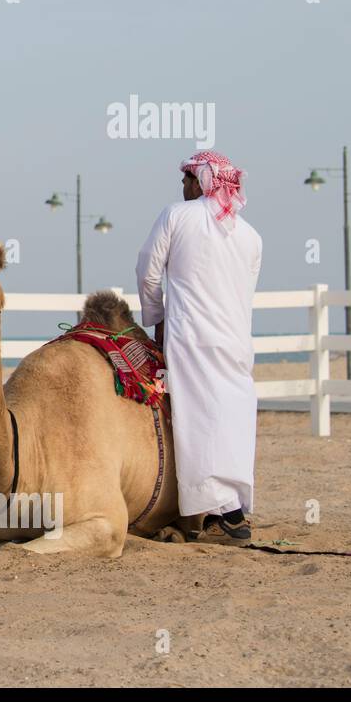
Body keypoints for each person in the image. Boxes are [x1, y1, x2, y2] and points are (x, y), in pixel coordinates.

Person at [135, 151, 262, 542]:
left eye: (188, 180)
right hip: (236, 340)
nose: (184, 187)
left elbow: (148, 271)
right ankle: (231, 507)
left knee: (199, 415)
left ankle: (220, 510)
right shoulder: (251, 236)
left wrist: (155, 318)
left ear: (202, 181)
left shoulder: (176, 215)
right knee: (234, 414)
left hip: (191, 337)